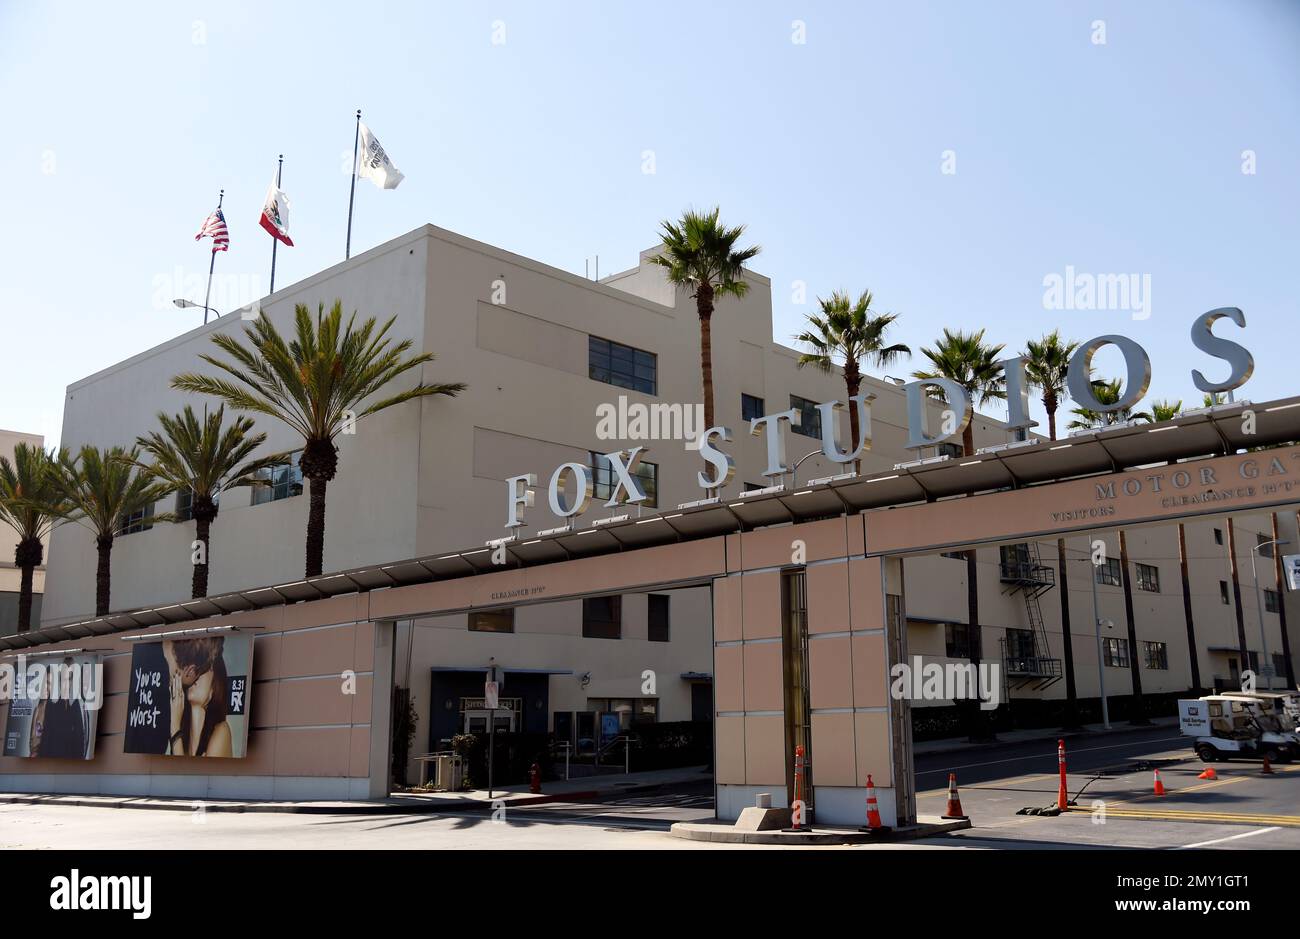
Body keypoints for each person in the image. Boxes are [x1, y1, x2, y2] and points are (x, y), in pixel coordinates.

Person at [163, 637, 233, 757]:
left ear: (214, 687)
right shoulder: (183, 736)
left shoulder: (222, 730)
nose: (196, 675)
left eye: (205, 669)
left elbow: (183, 772)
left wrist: (174, 724)